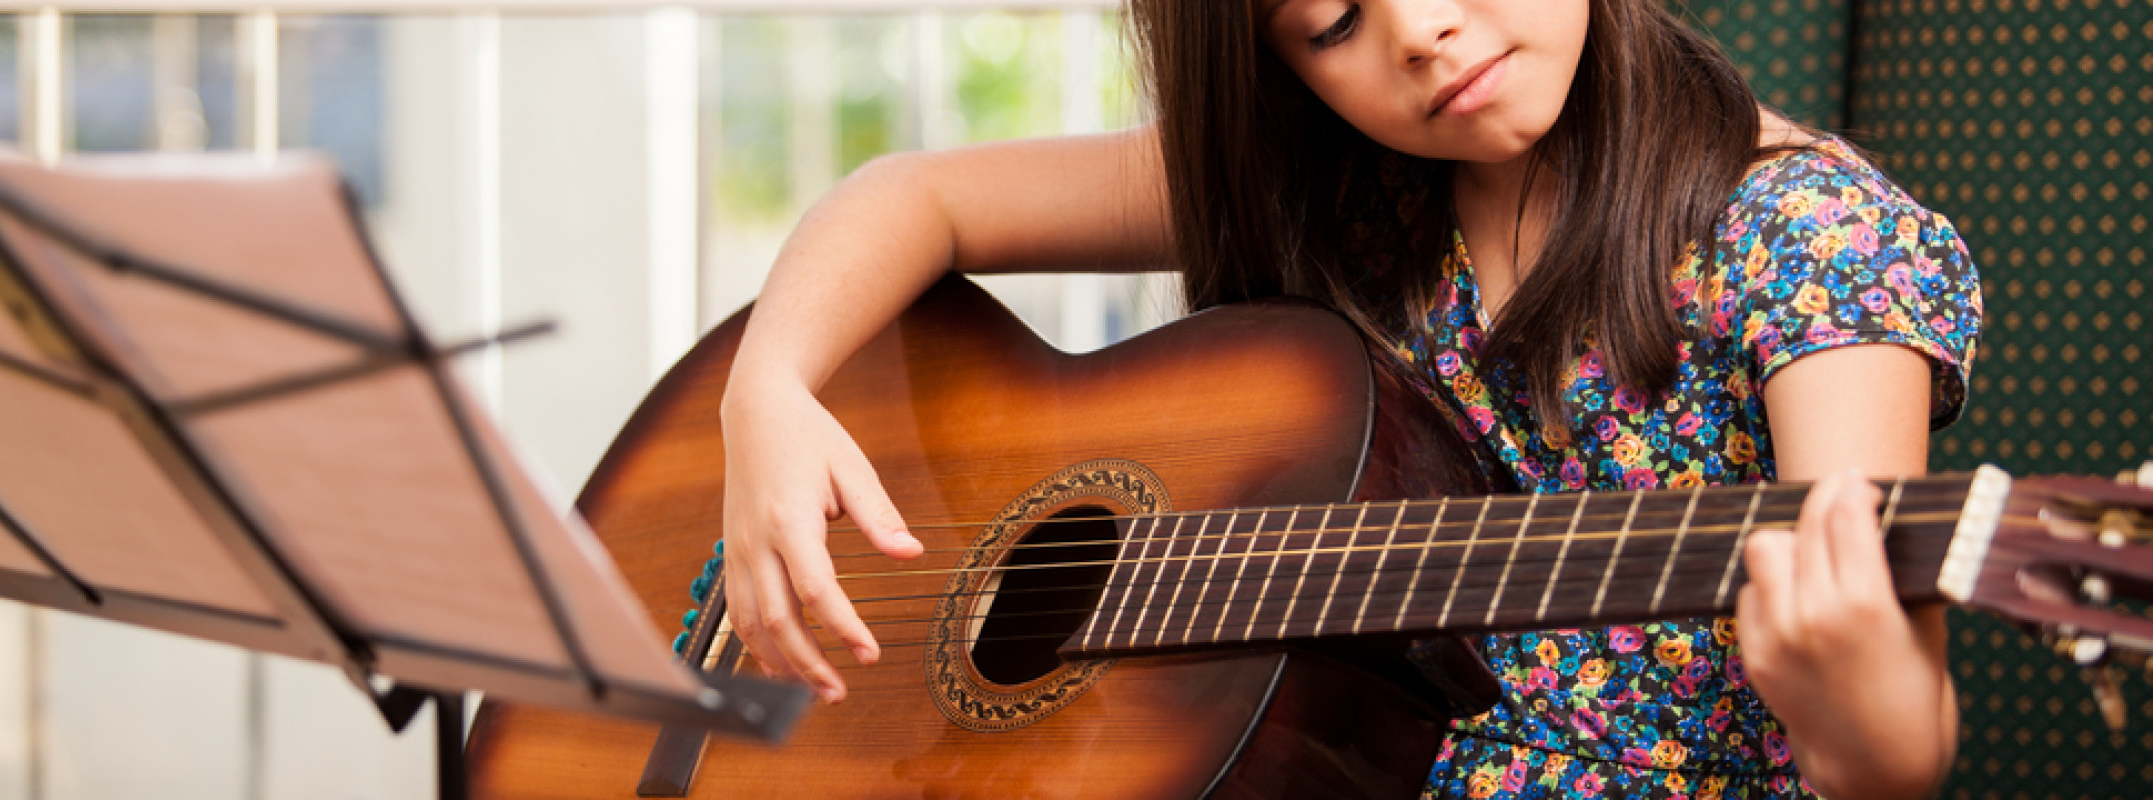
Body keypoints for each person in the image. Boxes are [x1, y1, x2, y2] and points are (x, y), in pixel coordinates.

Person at [713, 0, 1981, 797]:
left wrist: (1863, 712)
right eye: (1330, 23)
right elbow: (912, 196)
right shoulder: (1339, 185)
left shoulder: (1811, 239)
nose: (1419, 30)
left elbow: (1897, 751)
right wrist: (766, 392)